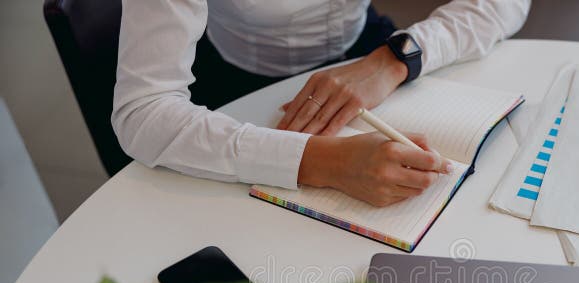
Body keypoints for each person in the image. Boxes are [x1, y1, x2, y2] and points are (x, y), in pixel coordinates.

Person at [111, 0, 530, 207]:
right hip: (233, 85)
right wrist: (322, 162)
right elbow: (142, 110)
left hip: (371, 49)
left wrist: (398, 58)